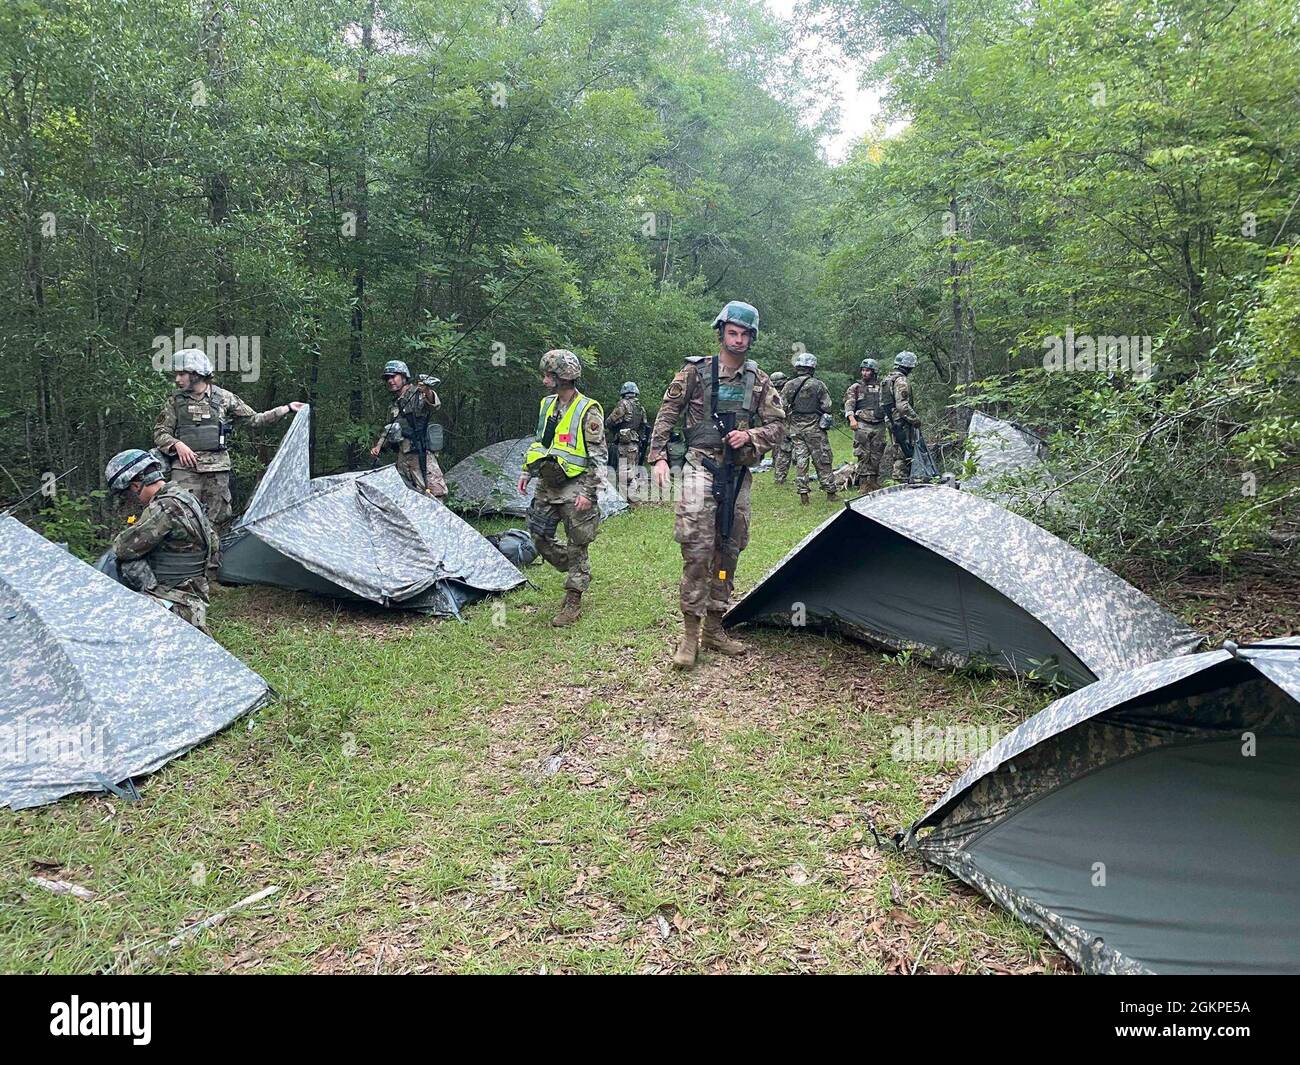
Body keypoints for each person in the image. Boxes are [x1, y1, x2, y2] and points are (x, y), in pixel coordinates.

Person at [648, 300, 786, 670]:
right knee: (697, 547)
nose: (738, 340)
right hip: (700, 467)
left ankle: (714, 625)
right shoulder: (695, 373)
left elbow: (778, 426)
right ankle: (690, 635)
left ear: (751, 338)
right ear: (722, 332)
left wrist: (752, 436)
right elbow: (667, 414)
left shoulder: (759, 381)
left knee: (729, 550)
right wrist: (658, 456)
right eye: (732, 333)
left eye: (744, 335)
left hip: (737, 474)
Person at [153, 348, 303, 538]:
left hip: (216, 473)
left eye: (181, 374)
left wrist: (286, 409)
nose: (177, 379)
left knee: (217, 525)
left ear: (196, 373)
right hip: (185, 469)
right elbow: (160, 432)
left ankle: (214, 565)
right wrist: (177, 445)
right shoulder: (175, 401)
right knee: (180, 520)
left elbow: (255, 420)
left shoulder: (224, 398)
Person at [517, 349, 607, 627]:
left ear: (562, 377)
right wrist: (527, 470)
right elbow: (541, 442)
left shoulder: (587, 409)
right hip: (548, 480)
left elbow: (599, 454)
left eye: (548, 374)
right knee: (539, 535)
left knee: (577, 541)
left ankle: (573, 597)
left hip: (576, 483)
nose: (544, 379)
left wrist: (589, 493)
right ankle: (576, 567)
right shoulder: (546, 405)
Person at [106, 448, 217, 633]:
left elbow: (121, 548)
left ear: (135, 485)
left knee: (122, 566)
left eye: (126, 494)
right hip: (195, 596)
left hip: (176, 601)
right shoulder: (186, 497)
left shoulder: (163, 507)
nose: (130, 499)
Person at [369, 360, 447, 497]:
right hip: (402, 457)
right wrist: (379, 447)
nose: (390, 381)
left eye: (393, 376)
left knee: (434, 494)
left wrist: (427, 390)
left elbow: (433, 404)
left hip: (420, 454)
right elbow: (389, 429)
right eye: (387, 378)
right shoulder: (394, 404)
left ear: (404, 376)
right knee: (405, 496)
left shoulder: (418, 393)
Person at [780, 352, 836, 504]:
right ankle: (830, 492)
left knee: (801, 460)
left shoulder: (789, 385)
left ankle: (803, 495)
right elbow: (827, 406)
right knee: (823, 459)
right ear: (812, 368)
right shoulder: (818, 385)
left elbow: (781, 407)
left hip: (796, 428)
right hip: (815, 428)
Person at [844, 357, 887, 491]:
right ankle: (863, 483)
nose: (864, 373)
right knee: (862, 454)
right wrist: (852, 419)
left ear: (874, 372)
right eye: (863, 370)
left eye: (867, 370)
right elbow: (849, 404)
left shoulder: (883, 387)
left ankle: (873, 482)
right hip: (862, 424)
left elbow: (888, 405)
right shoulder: (856, 388)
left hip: (879, 424)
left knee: (877, 453)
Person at [882, 350, 922, 483]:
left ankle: (902, 481)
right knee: (903, 454)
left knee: (898, 450)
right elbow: (903, 406)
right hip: (900, 421)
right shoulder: (901, 380)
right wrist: (915, 419)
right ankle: (901, 482)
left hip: (891, 419)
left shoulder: (887, 378)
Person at [605, 381, 647, 501]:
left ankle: (629, 502)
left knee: (625, 474)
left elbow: (611, 421)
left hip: (625, 444)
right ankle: (632, 500)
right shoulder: (640, 407)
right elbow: (644, 425)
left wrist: (612, 427)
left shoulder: (623, 404)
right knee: (632, 473)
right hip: (635, 443)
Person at [768, 370, 793, 484]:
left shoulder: (769, 394)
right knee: (784, 450)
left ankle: (777, 470)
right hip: (784, 425)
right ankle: (779, 477)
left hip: (772, 425)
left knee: (777, 448)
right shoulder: (782, 395)